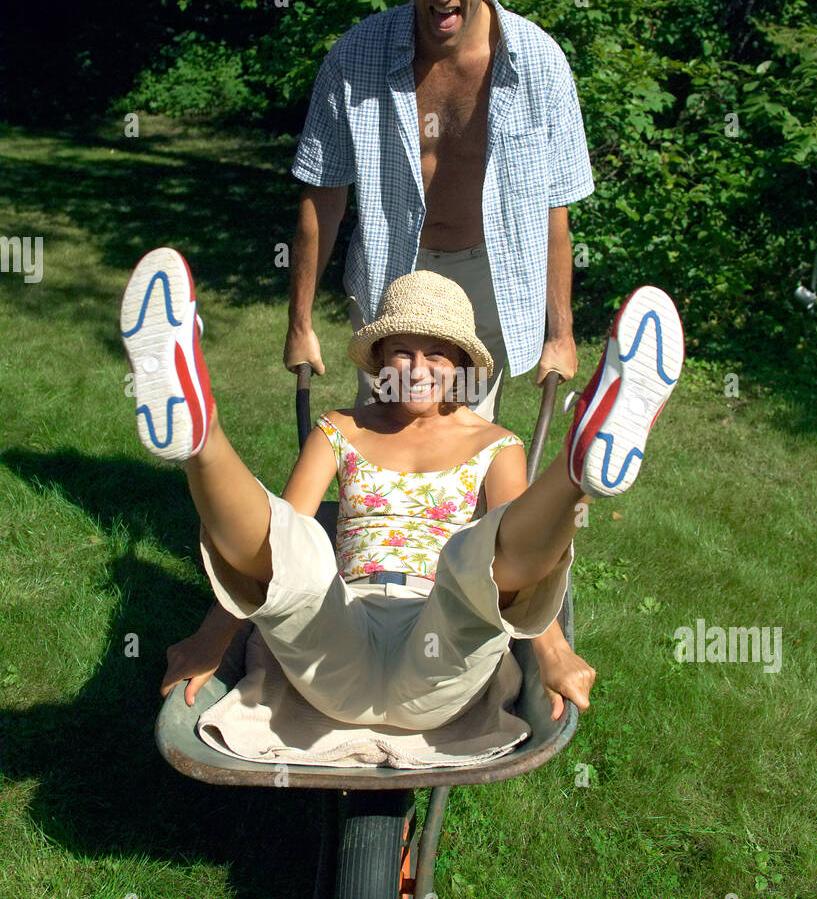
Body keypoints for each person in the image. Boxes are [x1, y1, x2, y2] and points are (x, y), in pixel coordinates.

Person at [121, 251, 683, 734]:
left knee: (472, 559)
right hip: (338, 634)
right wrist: (210, 639)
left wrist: (554, 654)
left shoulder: (495, 444)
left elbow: (516, 567)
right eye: (403, 351)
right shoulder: (339, 430)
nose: (418, 368)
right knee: (306, 550)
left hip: (439, 646)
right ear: (380, 358)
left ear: (461, 364)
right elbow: (274, 553)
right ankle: (199, 435)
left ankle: (577, 468)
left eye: (436, 354)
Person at [283, 0, 596, 423]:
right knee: (386, 428)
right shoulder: (355, 59)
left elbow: (554, 212)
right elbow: (323, 198)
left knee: (461, 439)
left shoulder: (541, 64)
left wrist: (562, 333)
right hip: (392, 270)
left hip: (490, 277)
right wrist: (300, 324)